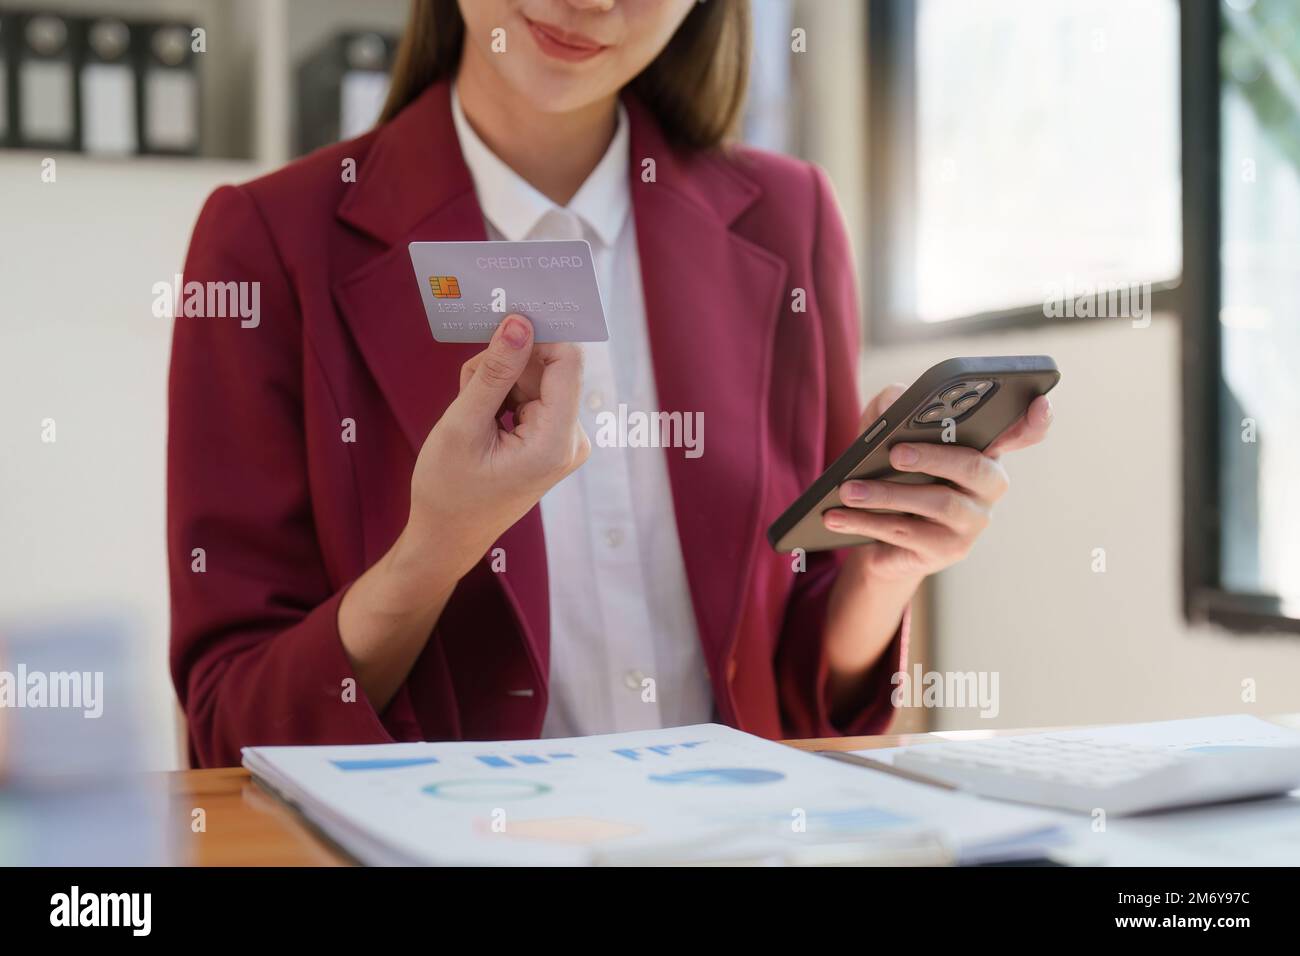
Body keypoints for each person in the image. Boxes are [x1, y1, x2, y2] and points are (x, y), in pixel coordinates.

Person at [168, 0, 1053, 767]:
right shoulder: (266, 245)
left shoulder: (791, 221)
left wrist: (882, 572)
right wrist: (436, 548)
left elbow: (805, 697)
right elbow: (228, 728)